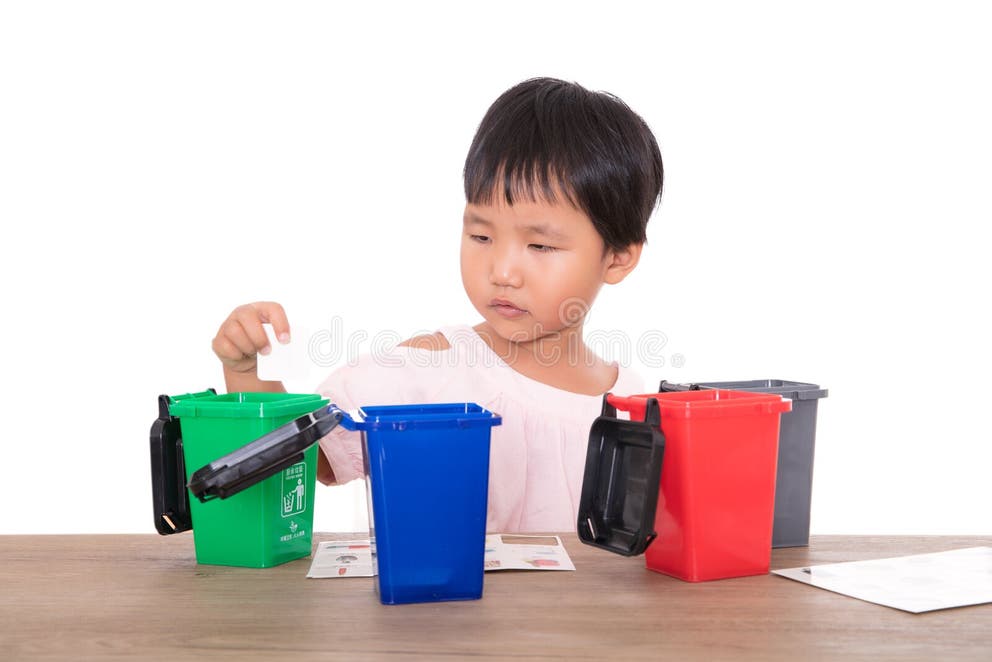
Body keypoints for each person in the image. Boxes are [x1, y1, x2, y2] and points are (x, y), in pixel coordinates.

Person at [211, 77, 664, 532]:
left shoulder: (631, 402)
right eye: (481, 236)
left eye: (540, 246)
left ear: (619, 257)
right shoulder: (433, 369)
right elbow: (307, 464)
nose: (502, 271)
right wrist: (246, 376)